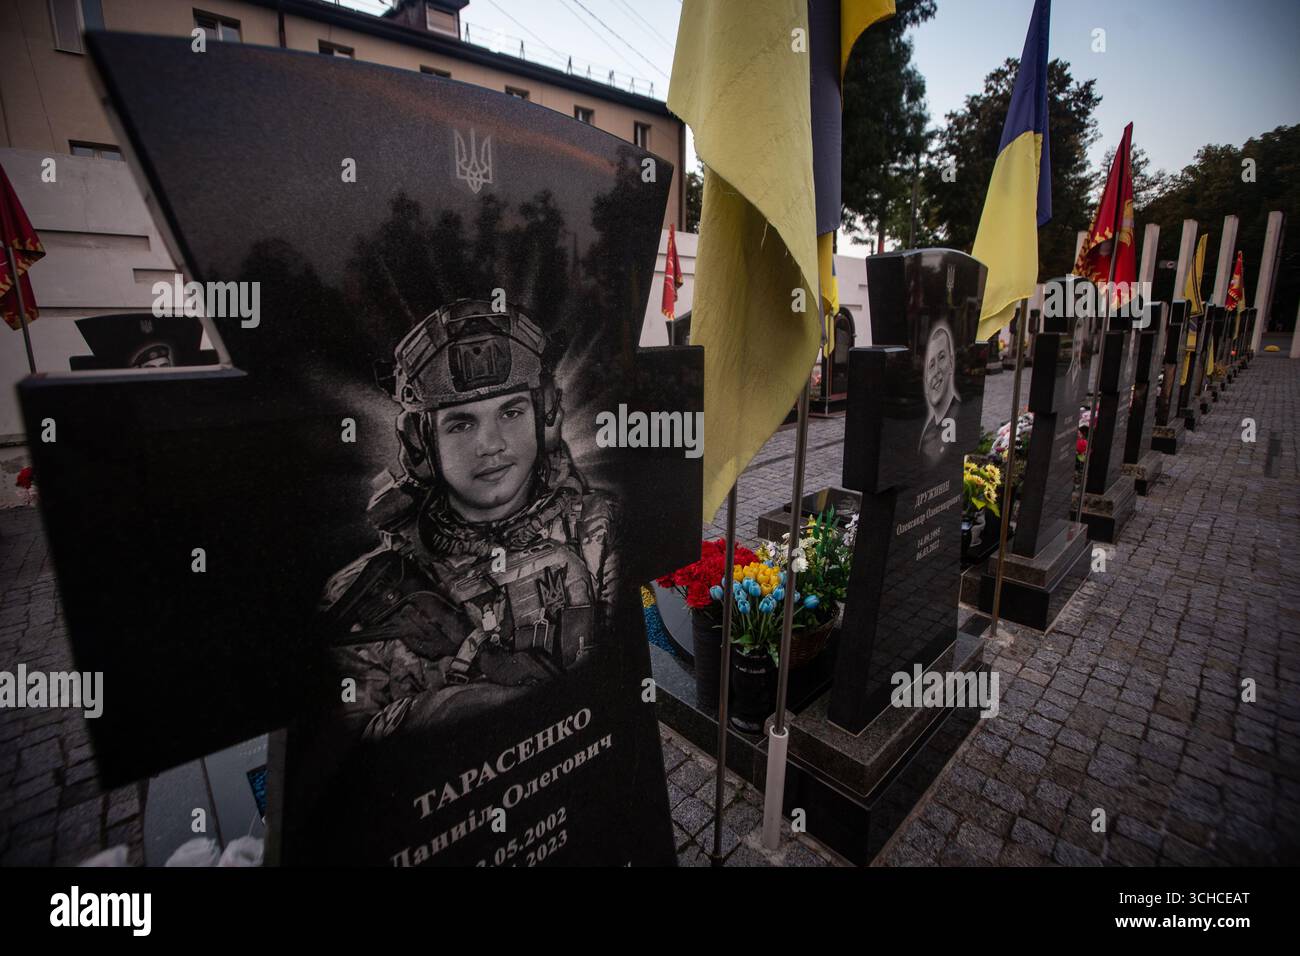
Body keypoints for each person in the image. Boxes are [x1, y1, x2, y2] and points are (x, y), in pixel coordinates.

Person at [319, 299, 617, 741]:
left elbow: (615, 681)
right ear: (420, 443)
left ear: (545, 414)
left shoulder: (602, 531)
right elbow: (349, 759)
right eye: (461, 424)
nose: (491, 444)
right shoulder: (364, 595)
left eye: (511, 412)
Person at [917, 319, 960, 460]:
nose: (935, 371)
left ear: (951, 362)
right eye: (931, 365)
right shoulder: (928, 430)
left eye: (941, 358)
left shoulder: (958, 416)